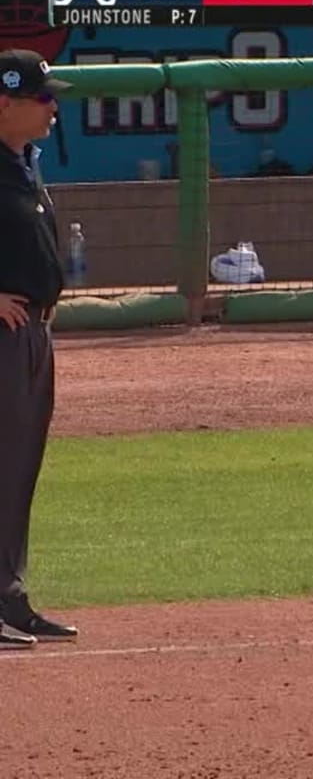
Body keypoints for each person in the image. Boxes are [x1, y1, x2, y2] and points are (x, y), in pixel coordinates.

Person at [0, 49, 79, 649]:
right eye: (42, 97)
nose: (53, 107)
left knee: (17, 468)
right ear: (5, 103)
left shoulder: (24, 163)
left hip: (32, 334)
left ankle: (8, 596)